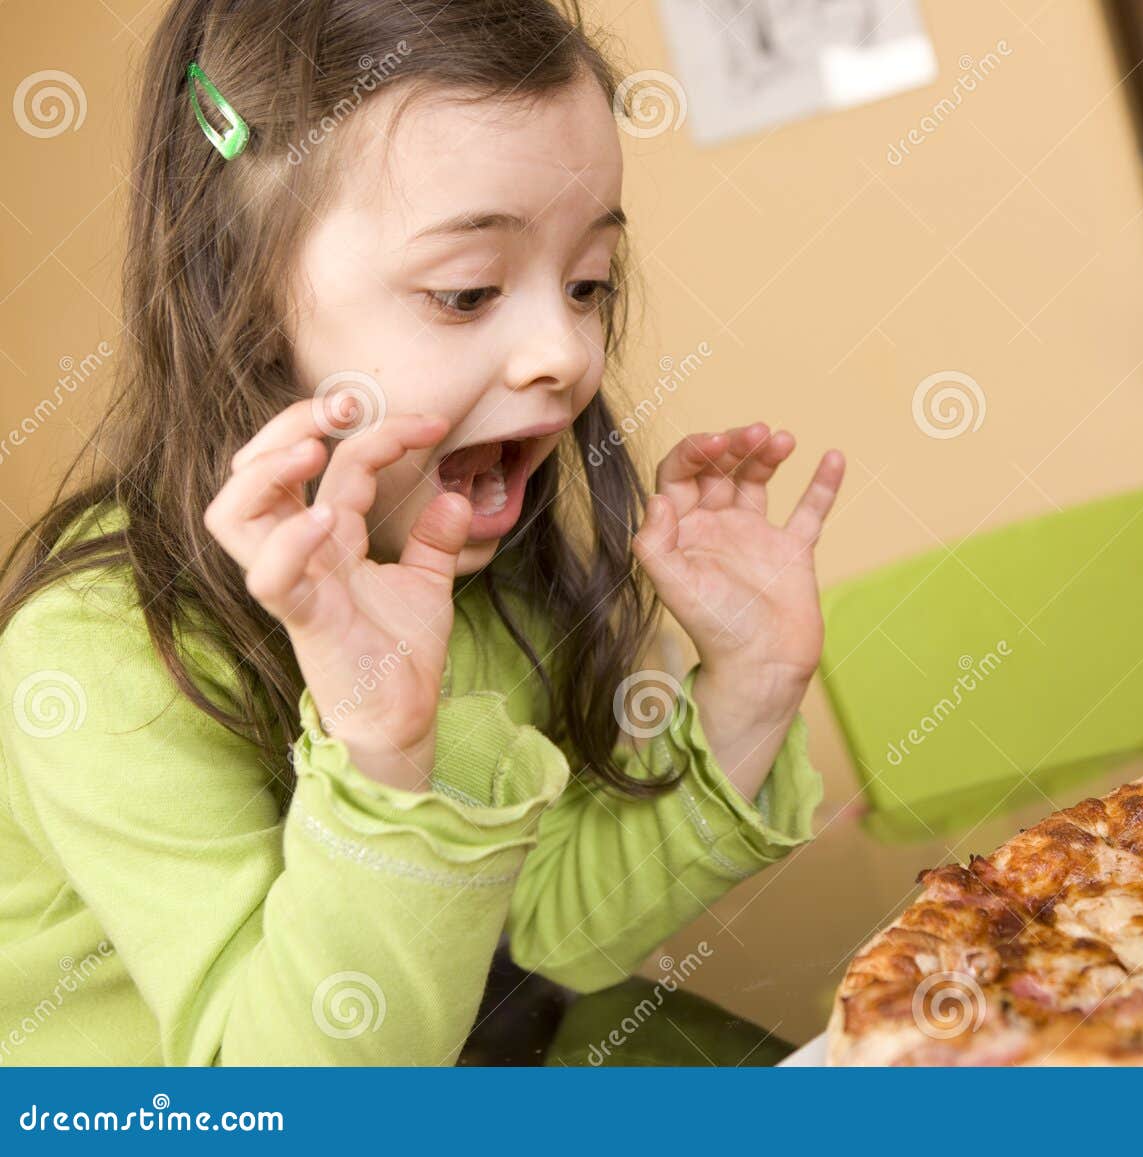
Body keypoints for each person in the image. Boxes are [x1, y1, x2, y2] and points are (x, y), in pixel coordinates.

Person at [0, 0, 844, 1065]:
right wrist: (381, 753)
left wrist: (750, 689)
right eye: (466, 291)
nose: (565, 351)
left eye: (588, 283)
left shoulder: (474, 578)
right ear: (246, 310)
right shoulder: (97, 654)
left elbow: (554, 925)